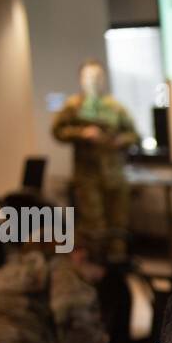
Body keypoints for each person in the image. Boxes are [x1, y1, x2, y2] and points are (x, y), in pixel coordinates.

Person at [52, 60, 138, 263]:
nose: (94, 82)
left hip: (115, 175)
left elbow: (133, 134)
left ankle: (117, 266)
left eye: (98, 77)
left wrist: (120, 140)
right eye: (89, 77)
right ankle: (95, 266)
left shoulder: (115, 107)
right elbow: (58, 131)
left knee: (118, 224)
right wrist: (82, 133)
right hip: (87, 175)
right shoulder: (74, 106)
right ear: (81, 80)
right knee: (93, 225)